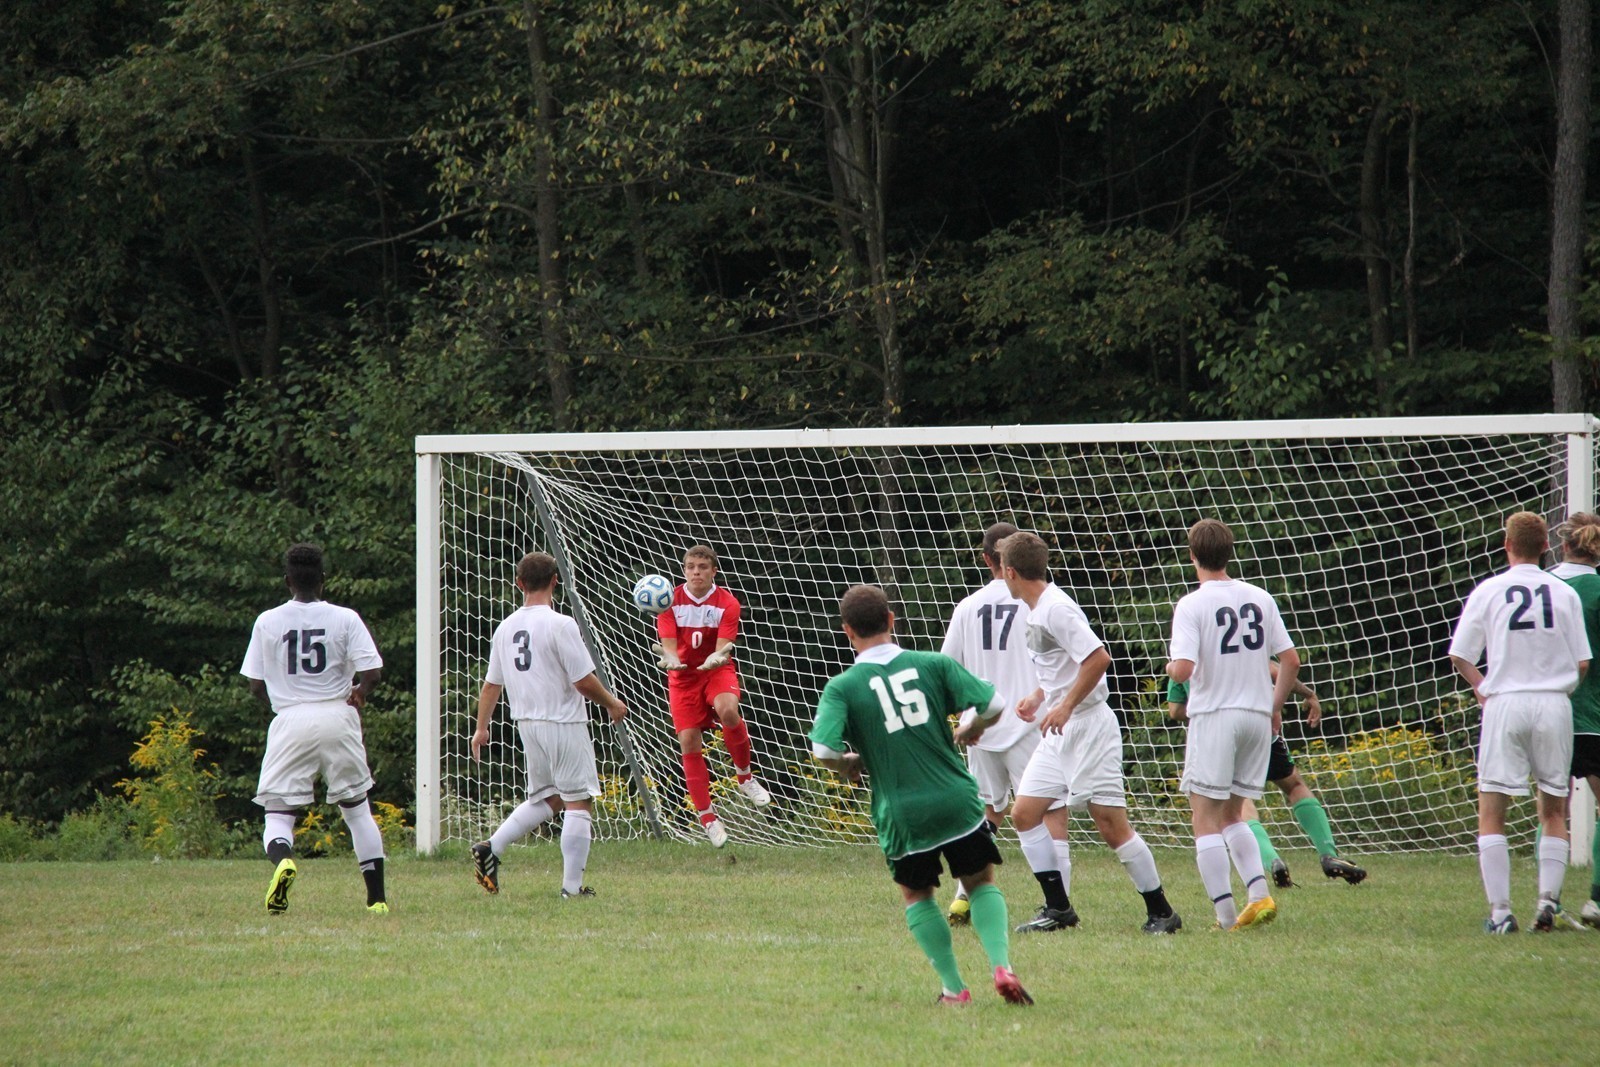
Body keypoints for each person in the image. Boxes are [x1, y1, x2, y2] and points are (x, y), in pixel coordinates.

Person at [809, 584, 1033, 1007]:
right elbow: (994, 703)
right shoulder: (933, 663)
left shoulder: (843, 687)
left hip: (902, 812)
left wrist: (850, 763)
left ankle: (953, 988)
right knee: (980, 882)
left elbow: (823, 750)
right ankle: (1001, 966)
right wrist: (971, 730)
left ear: (847, 632)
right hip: (956, 801)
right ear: (892, 620)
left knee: (917, 895)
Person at [999, 531, 1182, 935]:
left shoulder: (1056, 609)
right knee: (1025, 814)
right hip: (1060, 729)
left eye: (1001, 572)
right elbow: (1066, 667)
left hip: (1089, 727)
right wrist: (1040, 696)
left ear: (1010, 572)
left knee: (1110, 824)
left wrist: (1064, 705)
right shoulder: (1037, 609)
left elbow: (1099, 658)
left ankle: (1162, 911)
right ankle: (1058, 908)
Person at [1450, 512, 1590, 933]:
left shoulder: (1489, 590)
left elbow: (1460, 654)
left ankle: (1500, 913)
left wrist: (1482, 685)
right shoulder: (1563, 592)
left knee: (1492, 810)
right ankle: (1547, 903)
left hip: (1505, 702)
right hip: (1553, 704)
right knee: (1553, 809)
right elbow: (1583, 661)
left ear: (1506, 544)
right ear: (1547, 546)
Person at [1166, 519, 1300, 931]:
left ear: (1192, 556)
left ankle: (1225, 917)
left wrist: (1170, 664)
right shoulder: (1260, 597)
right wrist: (1274, 706)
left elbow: (1185, 669)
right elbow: (1290, 661)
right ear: (1230, 552)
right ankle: (1258, 896)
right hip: (1256, 718)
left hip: (1215, 717)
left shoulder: (1191, 604)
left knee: (1204, 817)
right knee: (1234, 815)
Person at [470, 552, 629, 899]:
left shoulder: (506, 627)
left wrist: (482, 728)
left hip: (527, 723)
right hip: (562, 721)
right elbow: (583, 681)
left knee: (550, 797)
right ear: (556, 581)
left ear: (520, 583)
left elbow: (491, 685)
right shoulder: (561, 624)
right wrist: (612, 703)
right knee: (579, 801)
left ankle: (492, 847)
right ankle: (572, 890)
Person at [241, 543, 388, 915]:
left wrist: (284, 700)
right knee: (357, 811)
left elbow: (256, 686)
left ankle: (284, 862)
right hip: (337, 716)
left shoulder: (267, 621)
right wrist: (360, 692)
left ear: (288, 580)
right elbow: (372, 673)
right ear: (323, 580)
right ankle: (377, 900)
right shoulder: (345, 618)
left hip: (291, 718)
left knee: (278, 813)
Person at [941, 522, 1072, 928]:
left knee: (988, 812)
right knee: (1052, 812)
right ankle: (1060, 905)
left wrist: (962, 719)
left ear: (986, 560)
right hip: (1030, 723)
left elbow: (948, 670)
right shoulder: (1036, 600)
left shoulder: (966, 607)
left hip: (980, 727)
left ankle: (964, 897)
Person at [1166, 666, 1367, 888]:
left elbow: (1175, 710)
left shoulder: (1187, 651)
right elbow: (1280, 669)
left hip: (1215, 733)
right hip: (1257, 727)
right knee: (1294, 785)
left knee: (1239, 805)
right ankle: (1328, 855)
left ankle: (1273, 861)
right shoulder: (1245, 634)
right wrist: (1307, 693)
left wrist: (1205, 707)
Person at [652, 544, 771, 847]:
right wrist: (671, 657)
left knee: (729, 710)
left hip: (716, 670)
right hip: (683, 678)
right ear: (684, 570)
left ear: (713, 571)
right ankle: (707, 817)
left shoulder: (727, 603)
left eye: (702, 567)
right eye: (691, 566)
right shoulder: (669, 600)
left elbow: (723, 645)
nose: (696, 572)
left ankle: (745, 777)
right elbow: (667, 642)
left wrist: (717, 658)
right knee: (688, 741)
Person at [1552, 517, 1600, 927]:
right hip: (1594, 711)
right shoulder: (1598, 589)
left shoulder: (1542, 585)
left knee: (1552, 808)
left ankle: (1547, 900)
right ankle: (1597, 900)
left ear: (1563, 545)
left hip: (1548, 711)